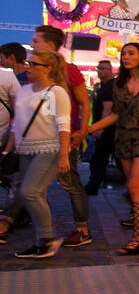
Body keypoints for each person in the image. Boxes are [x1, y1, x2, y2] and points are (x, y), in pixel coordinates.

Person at [85, 42, 139, 254]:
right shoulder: (119, 83)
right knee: (136, 187)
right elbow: (115, 114)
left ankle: (137, 237)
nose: (126, 57)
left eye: (131, 53)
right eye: (124, 53)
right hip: (122, 138)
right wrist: (88, 129)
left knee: (135, 185)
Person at [0, 51, 71, 258]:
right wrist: (8, 149)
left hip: (49, 149)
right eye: (28, 62)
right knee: (35, 194)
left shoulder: (56, 92)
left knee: (29, 192)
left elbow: (63, 125)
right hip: (25, 149)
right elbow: (16, 124)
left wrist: (64, 154)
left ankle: (47, 239)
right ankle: (43, 241)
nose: (28, 66)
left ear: (48, 68)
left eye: (34, 63)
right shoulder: (25, 91)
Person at [31, 26, 92, 248]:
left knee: (70, 182)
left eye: (36, 41)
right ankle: (41, 230)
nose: (33, 45)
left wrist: (81, 130)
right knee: (34, 185)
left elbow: (85, 103)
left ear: (48, 44)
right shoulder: (36, 71)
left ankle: (82, 229)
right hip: (40, 137)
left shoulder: (69, 70)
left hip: (65, 137)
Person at [85, 59, 117, 194]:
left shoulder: (110, 86)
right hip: (107, 129)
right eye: (99, 68)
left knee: (99, 159)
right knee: (99, 159)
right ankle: (93, 185)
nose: (100, 71)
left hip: (109, 130)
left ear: (110, 71)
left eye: (104, 68)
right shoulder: (103, 87)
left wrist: (99, 128)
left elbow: (107, 109)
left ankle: (93, 186)